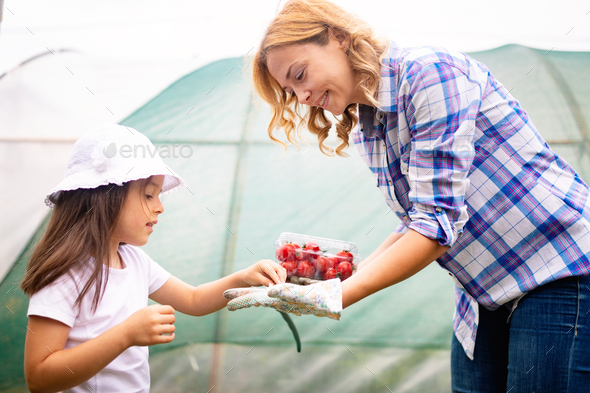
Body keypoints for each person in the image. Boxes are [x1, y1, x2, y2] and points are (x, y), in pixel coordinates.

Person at [233, 0, 590, 391]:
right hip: (483, 293)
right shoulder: (366, 128)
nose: (301, 96)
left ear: (338, 37)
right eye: (290, 90)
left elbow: (436, 227)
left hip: (557, 270)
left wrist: (337, 296)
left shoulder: (429, 74)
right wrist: (331, 280)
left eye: (300, 75)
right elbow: (415, 226)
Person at [20, 123, 286, 393]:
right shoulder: (63, 274)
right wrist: (126, 335)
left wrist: (243, 276)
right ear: (104, 195)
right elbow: (39, 377)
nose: (160, 206)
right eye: (148, 194)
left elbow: (193, 300)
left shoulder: (135, 260)